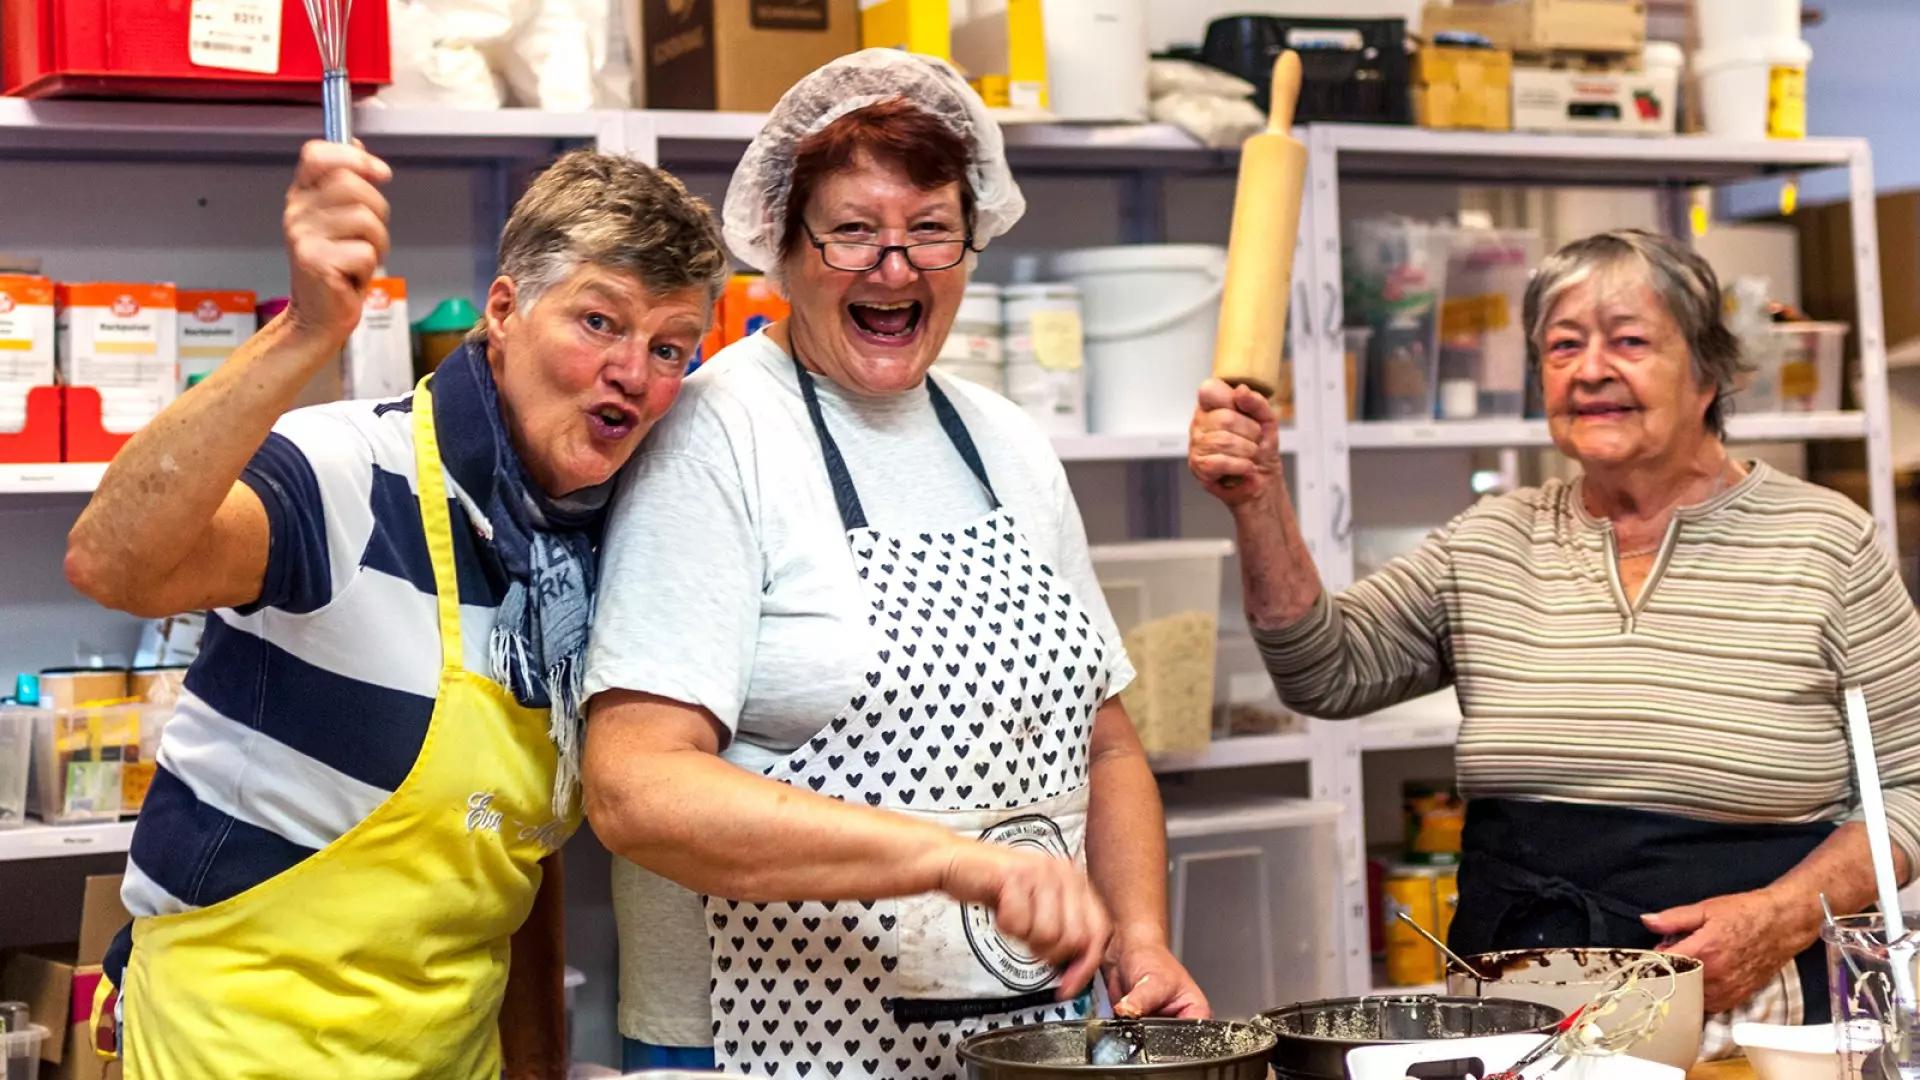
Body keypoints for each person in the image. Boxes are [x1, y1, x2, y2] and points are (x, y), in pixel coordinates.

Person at [580, 49, 1208, 1079]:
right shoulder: (716, 434)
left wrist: (1138, 941)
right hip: (771, 1042)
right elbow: (637, 789)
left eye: (930, 232)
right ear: (781, 246)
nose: (896, 268)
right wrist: (954, 861)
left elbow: (1109, 750)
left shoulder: (1005, 441)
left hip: (1023, 1039)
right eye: (854, 233)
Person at [63, 143, 728, 1079]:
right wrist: (303, 330)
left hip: (451, 1056)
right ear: (503, 311)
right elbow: (113, 561)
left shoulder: (592, 549)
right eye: (597, 321)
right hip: (234, 1047)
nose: (633, 372)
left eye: (668, 347)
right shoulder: (344, 474)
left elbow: (506, 849)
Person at [1190, 228, 1920, 1054]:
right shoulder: (1493, 539)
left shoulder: (1825, 542)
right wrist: (1258, 502)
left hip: (1755, 1008)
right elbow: (1327, 671)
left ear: (1710, 372)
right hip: (1516, 1008)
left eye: (1631, 341)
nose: (1591, 369)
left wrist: (1777, 919)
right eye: (1563, 346)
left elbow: (1913, 782)